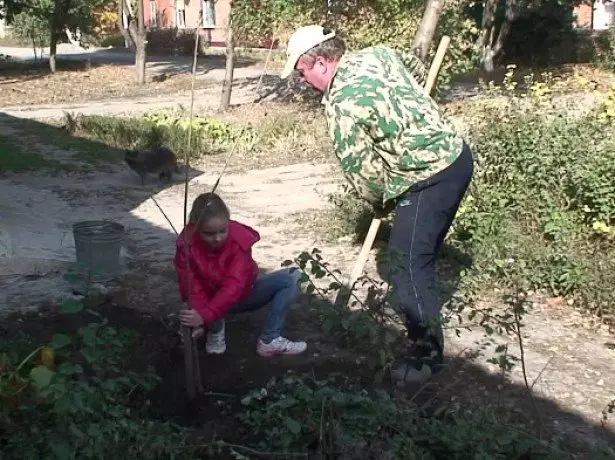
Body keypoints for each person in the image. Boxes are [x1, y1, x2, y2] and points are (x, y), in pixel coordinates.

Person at [280, 25, 474, 384]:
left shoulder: (340, 102)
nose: (302, 81)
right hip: (458, 157)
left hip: (427, 177)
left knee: (406, 268)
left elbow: (362, 171)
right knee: (420, 257)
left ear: (321, 63)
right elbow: (415, 70)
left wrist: (378, 202)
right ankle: (425, 321)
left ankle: (425, 358)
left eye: (302, 72)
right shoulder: (378, 53)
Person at [173, 192, 307, 357]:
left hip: (240, 296)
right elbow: (191, 287)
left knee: (292, 277)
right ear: (195, 227)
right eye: (209, 233)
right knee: (191, 306)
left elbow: (235, 285)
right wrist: (202, 317)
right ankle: (215, 329)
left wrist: (205, 316)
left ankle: (269, 340)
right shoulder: (186, 245)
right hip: (208, 301)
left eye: (223, 231)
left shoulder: (238, 241)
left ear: (228, 223)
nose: (217, 238)